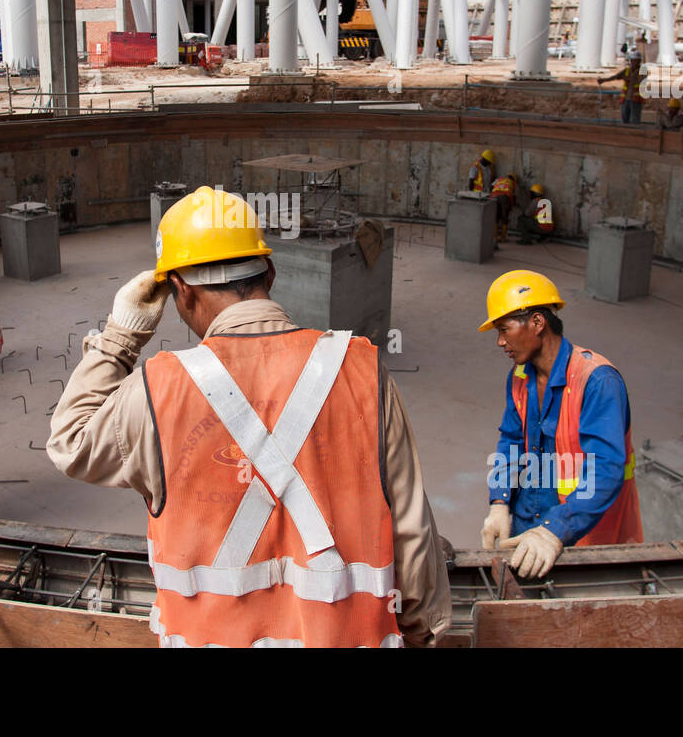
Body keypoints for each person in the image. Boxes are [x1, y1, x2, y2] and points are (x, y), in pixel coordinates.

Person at [48, 186, 452, 647]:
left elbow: (69, 443)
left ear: (179, 291)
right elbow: (412, 539)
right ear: (271, 273)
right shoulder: (363, 374)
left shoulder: (157, 390)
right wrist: (421, 635)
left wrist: (120, 336)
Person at [478, 271, 643, 579]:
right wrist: (499, 502)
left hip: (581, 529)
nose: (500, 342)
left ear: (537, 323)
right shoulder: (519, 376)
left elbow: (606, 470)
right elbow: (511, 441)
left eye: (504, 329)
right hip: (530, 517)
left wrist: (554, 532)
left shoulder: (597, 381)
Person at [598, 36, 649, 125]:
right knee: (625, 118)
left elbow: (640, 81)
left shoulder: (643, 71)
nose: (634, 63)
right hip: (626, 98)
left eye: (636, 61)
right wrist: (604, 80)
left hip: (636, 99)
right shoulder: (627, 71)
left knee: (635, 120)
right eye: (633, 61)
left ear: (639, 61)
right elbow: (616, 76)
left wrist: (628, 79)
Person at [490, 173, 517, 243]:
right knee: (505, 216)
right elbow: (513, 195)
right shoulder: (512, 182)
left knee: (496, 216)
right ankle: (503, 238)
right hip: (505, 197)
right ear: (514, 179)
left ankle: (495, 237)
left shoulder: (499, 179)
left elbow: (491, 187)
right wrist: (513, 205)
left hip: (494, 196)